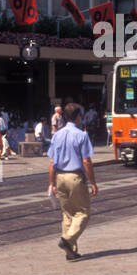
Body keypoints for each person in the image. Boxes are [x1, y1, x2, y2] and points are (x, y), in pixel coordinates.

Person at [46, 102, 98, 261]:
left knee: (67, 214)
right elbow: (86, 161)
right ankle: (67, 240)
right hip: (75, 177)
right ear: (77, 117)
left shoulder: (57, 135)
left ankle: (71, 252)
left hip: (60, 177)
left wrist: (52, 183)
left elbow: (51, 162)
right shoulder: (81, 135)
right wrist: (93, 182)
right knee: (83, 212)